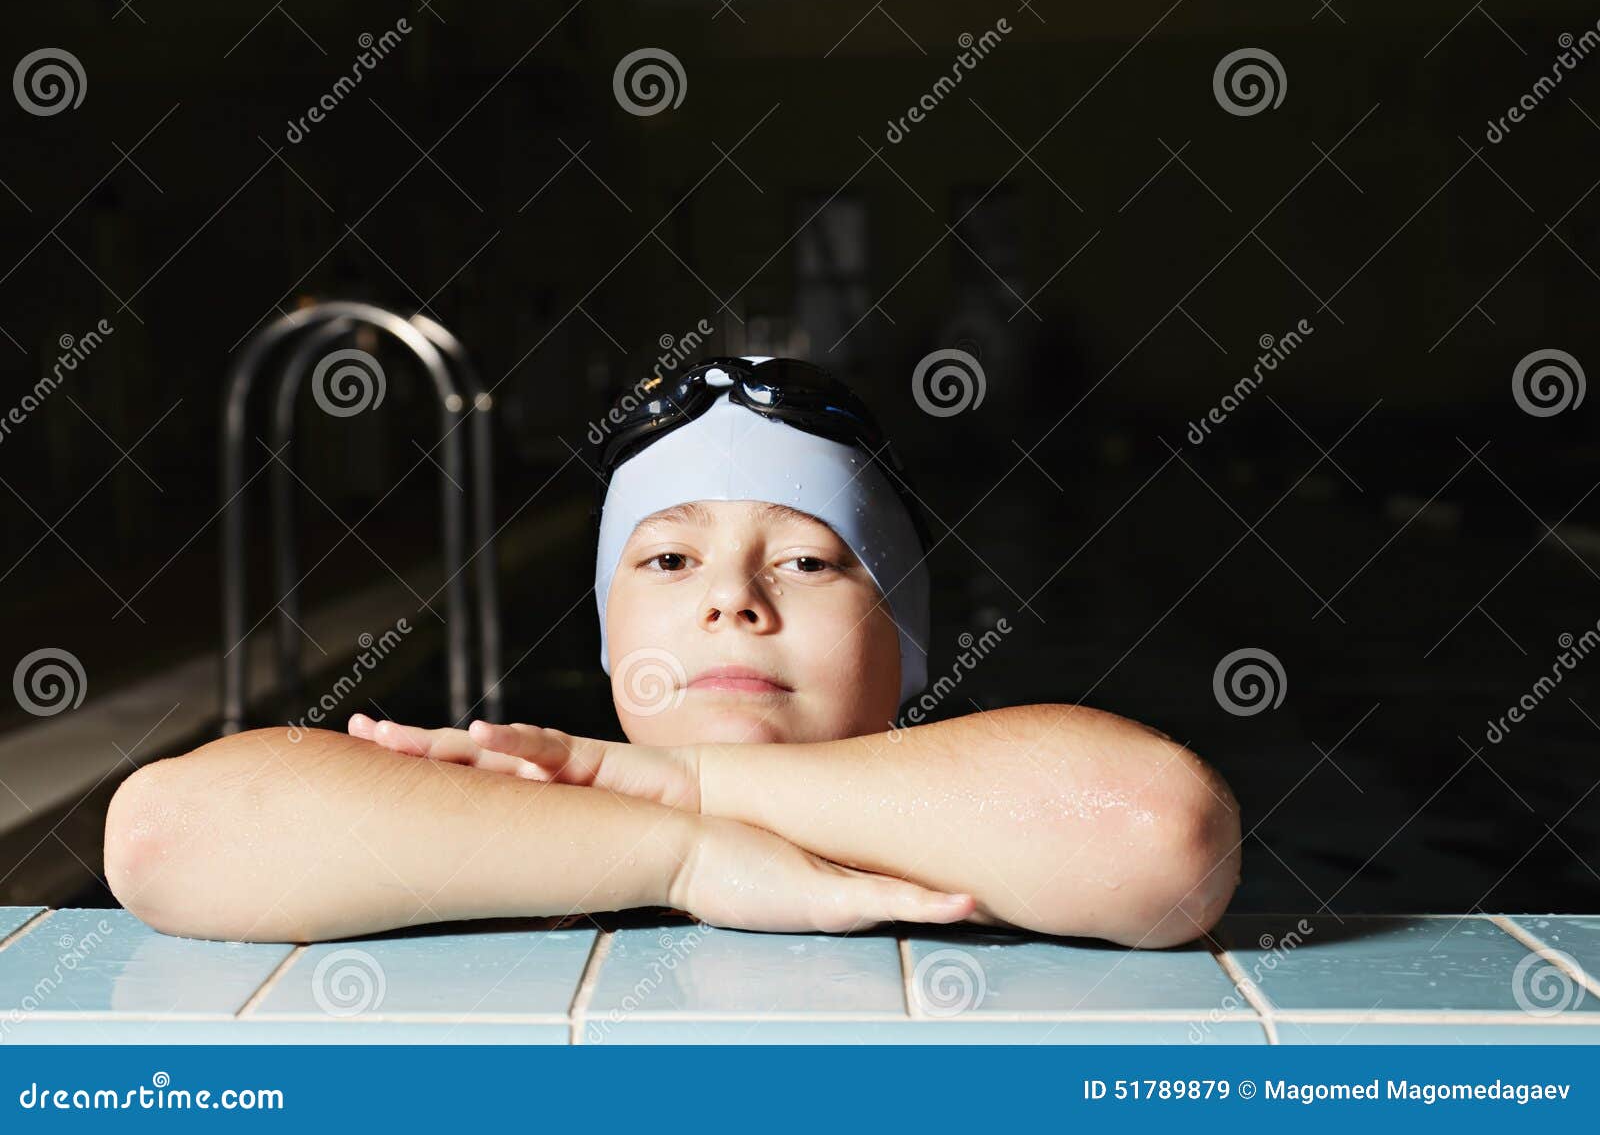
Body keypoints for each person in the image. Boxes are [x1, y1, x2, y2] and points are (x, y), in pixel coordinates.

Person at [103, 356, 1240, 947]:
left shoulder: (979, 815)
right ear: (607, 635)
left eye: (804, 560)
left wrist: (686, 780)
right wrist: (682, 858)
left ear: (901, 631)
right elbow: (163, 833)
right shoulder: (519, 801)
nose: (733, 601)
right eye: (666, 562)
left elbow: (1158, 834)